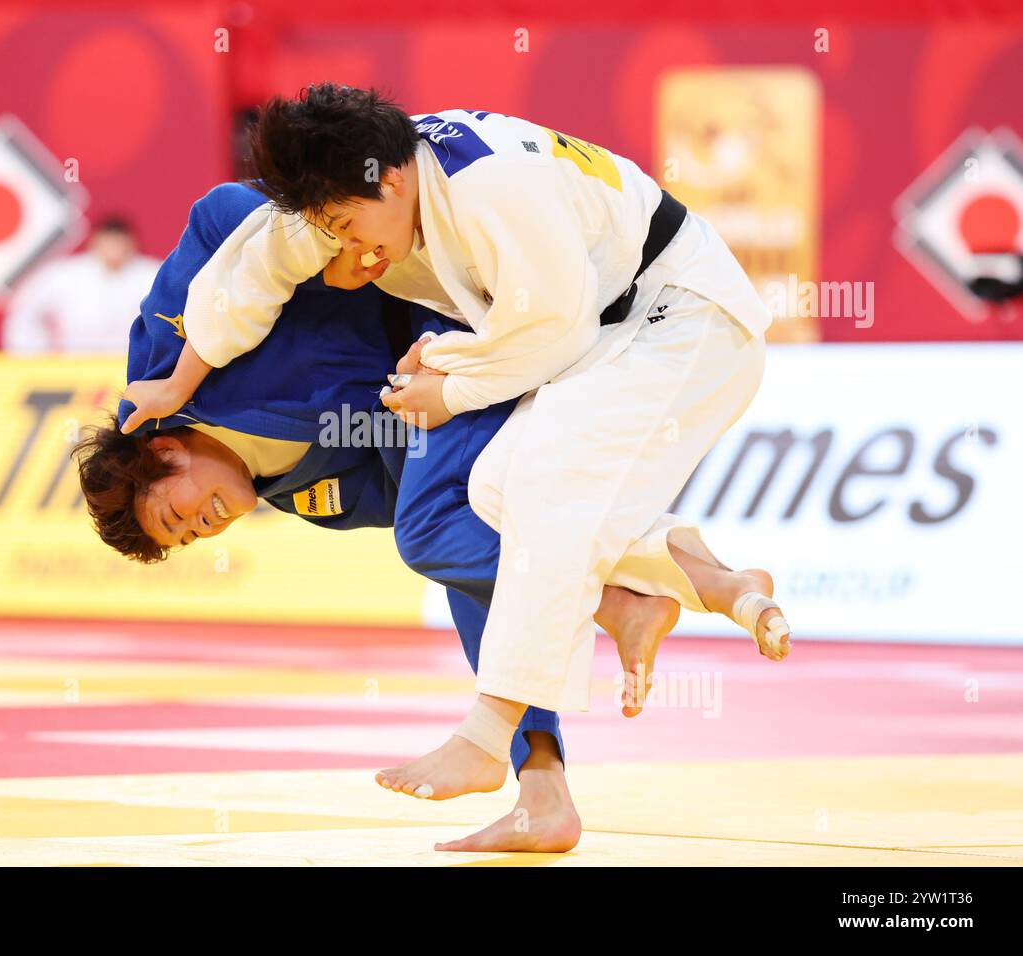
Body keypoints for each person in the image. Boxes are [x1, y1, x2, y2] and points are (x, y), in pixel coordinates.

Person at [76, 181, 788, 851]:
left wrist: (335, 242)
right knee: (455, 544)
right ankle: (543, 786)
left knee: (431, 528)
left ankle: (636, 599)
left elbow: (223, 211)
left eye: (178, 515)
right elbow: (473, 529)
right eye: (191, 539)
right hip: (448, 378)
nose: (204, 529)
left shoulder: (163, 368)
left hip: (450, 288)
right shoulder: (306, 496)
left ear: (162, 452)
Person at [233, 83, 789, 801]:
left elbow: (555, 332)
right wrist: (444, 364)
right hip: (614, 329)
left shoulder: (486, 186)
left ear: (390, 178)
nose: (350, 245)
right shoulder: (417, 184)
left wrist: (452, 386)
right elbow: (530, 327)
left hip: (685, 316)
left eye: (347, 221)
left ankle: (486, 737)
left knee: (539, 486)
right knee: (491, 492)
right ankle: (694, 583)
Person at [2, 216, 160, 354]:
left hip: (135, 369)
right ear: (95, 241)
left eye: (119, 241)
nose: (114, 248)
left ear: (132, 243)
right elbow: (25, 312)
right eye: (109, 240)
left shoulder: (152, 275)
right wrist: (36, 357)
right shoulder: (65, 274)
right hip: (73, 369)